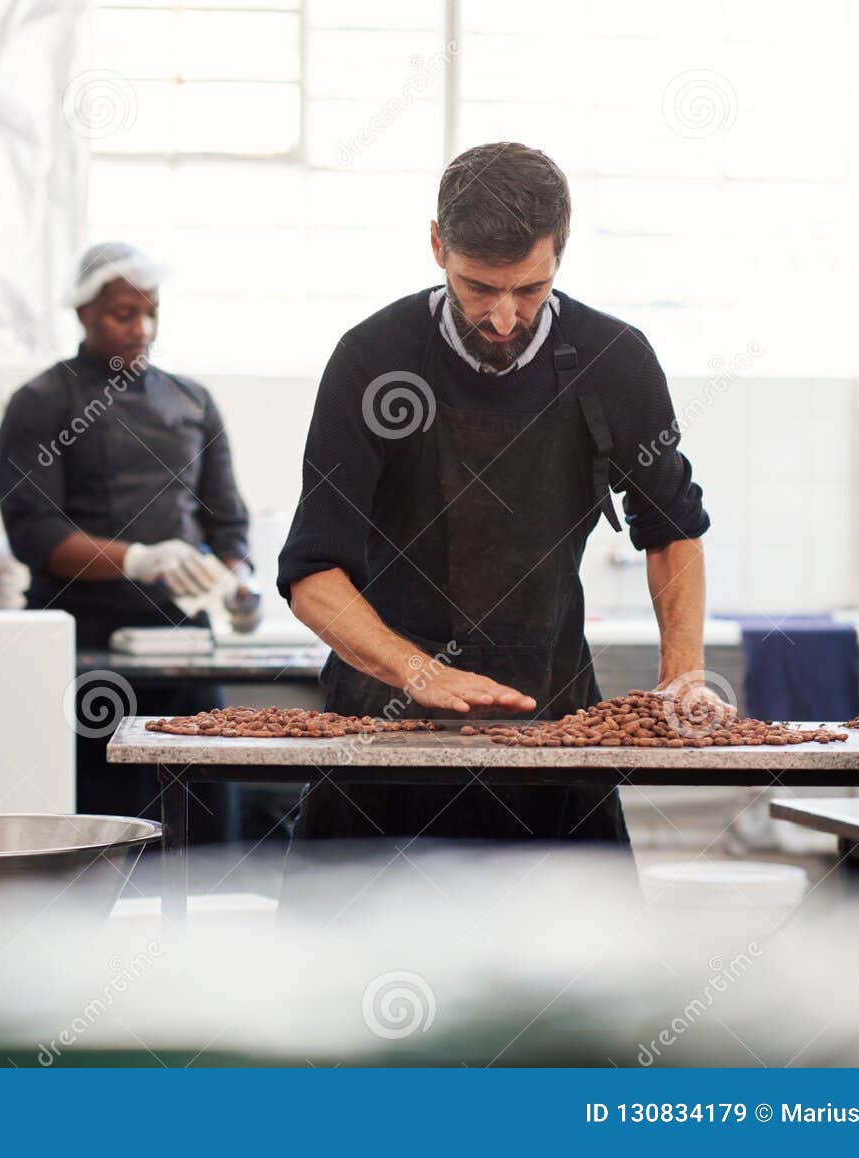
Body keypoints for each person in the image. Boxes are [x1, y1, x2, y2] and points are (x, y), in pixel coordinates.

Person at [278, 143, 712, 844]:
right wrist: (416, 673)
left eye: (530, 289)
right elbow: (311, 573)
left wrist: (682, 675)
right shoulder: (372, 361)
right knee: (357, 949)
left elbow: (670, 528)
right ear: (436, 245)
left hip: (557, 732)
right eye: (480, 287)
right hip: (386, 734)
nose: (505, 318)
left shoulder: (614, 362)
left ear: (559, 255)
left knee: (570, 953)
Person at [0, 242, 260, 839]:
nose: (141, 329)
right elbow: (34, 533)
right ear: (84, 313)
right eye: (122, 313)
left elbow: (229, 526)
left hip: (183, 648)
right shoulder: (40, 403)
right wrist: (139, 559)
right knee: (102, 830)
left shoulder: (192, 401)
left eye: (151, 312)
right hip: (88, 649)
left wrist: (232, 586)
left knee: (202, 832)